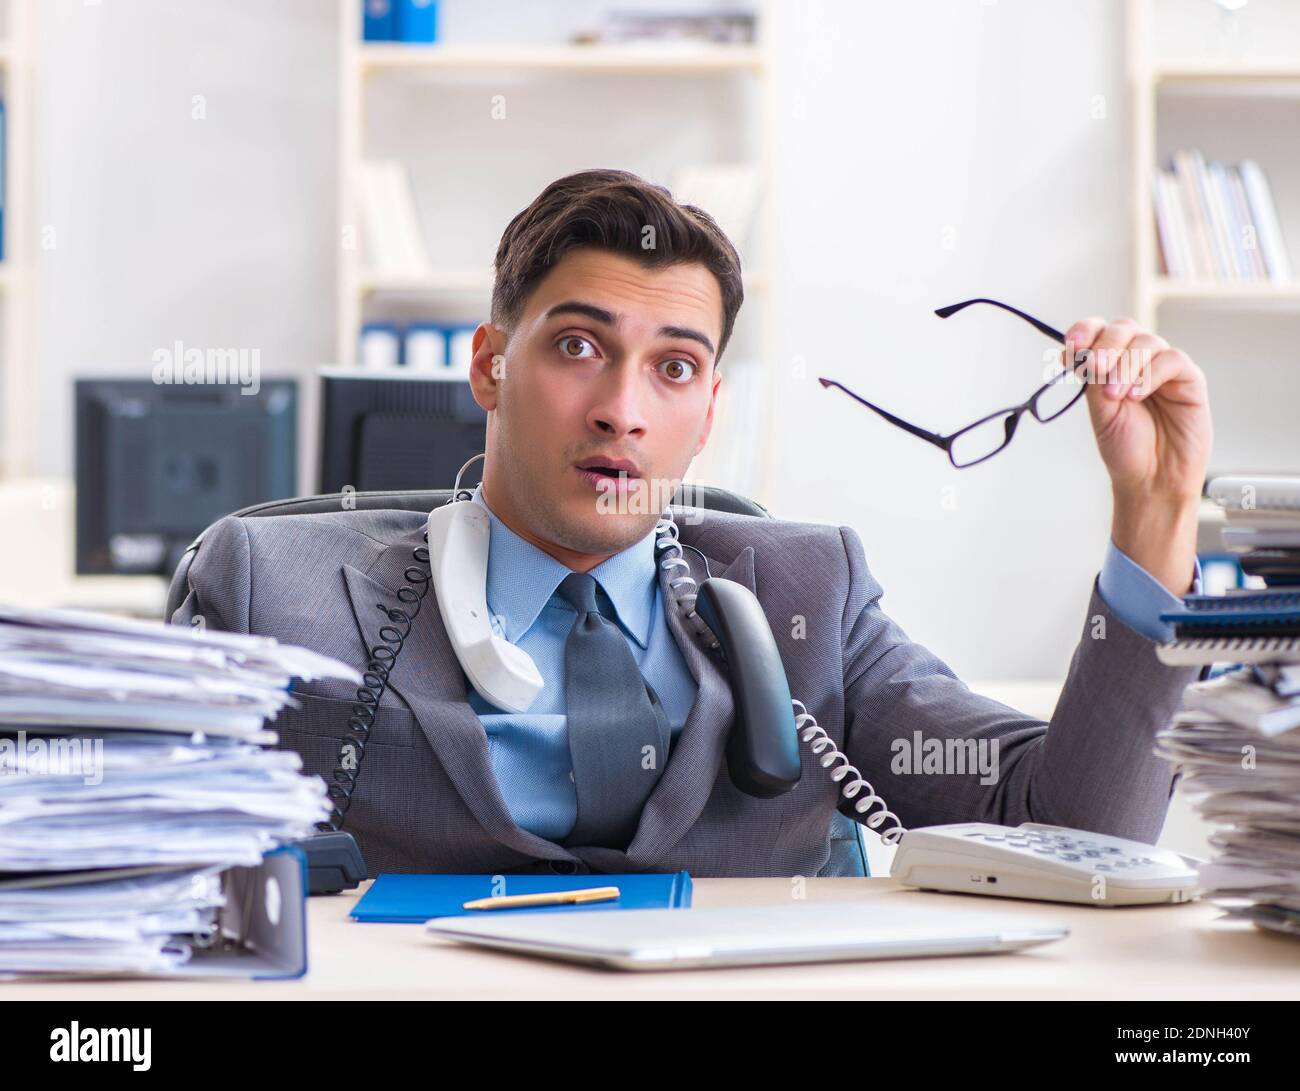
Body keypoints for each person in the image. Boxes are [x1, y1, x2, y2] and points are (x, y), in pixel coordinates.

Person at [173, 168, 1213, 877]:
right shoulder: (273, 585)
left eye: (673, 366)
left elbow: (1080, 833)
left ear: (710, 409)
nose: (622, 405)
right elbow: (120, 870)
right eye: (577, 346)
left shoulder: (806, 595)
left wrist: (1154, 512)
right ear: (490, 363)